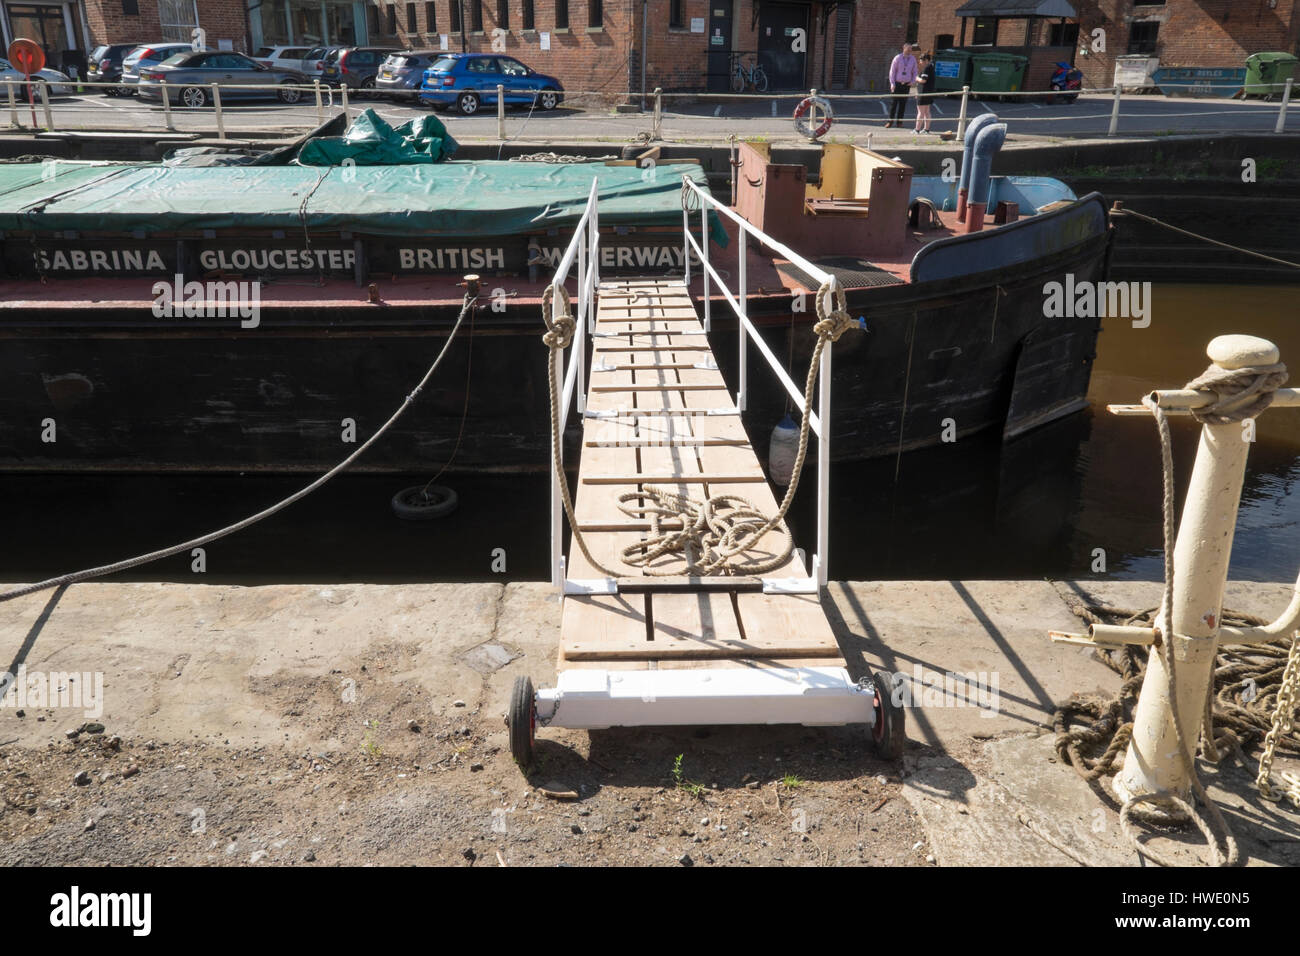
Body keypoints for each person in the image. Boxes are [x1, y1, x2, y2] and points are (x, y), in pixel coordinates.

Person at [886, 42, 918, 128]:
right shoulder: (897, 58)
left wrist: (912, 81)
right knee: (893, 104)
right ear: (904, 48)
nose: (909, 51)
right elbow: (892, 72)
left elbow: (915, 71)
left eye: (911, 49)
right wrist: (892, 83)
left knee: (903, 104)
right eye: (908, 49)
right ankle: (890, 121)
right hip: (897, 84)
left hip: (906, 85)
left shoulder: (913, 59)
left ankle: (899, 122)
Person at [914, 52, 935, 133]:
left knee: (921, 112)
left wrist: (916, 78)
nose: (920, 62)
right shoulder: (931, 67)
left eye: (921, 60)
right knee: (927, 112)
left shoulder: (927, 68)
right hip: (929, 92)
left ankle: (917, 129)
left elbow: (923, 80)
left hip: (923, 93)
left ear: (926, 60)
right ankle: (926, 129)